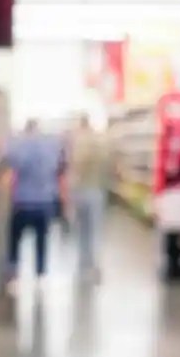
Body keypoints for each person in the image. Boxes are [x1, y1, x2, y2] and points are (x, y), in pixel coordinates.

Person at [2, 118, 63, 293]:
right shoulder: (50, 147)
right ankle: (40, 275)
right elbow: (57, 168)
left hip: (22, 201)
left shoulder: (18, 145)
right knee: (42, 240)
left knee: (15, 240)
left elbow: (9, 165)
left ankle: (14, 277)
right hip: (44, 202)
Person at [66, 113, 113, 280]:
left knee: (81, 230)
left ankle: (82, 265)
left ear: (80, 124)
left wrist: (69, 196)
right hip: (97, 190)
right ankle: (94, 266)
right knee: (95, 230)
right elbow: (108, 165)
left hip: (80, 191)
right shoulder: (102, 143)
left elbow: (74, 168)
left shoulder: (78, 143)